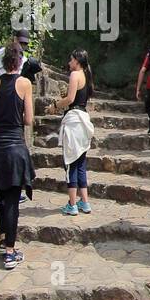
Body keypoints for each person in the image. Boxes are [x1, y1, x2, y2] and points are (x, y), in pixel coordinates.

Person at [0, 43, 35, 270]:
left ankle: (4, 240)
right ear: (19, 62)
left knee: (1, 196)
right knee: (13, 200)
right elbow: (29, 119)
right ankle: (10, 252)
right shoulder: (24, 84)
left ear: (4, 62)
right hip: (15, 145)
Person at [58, 50, 95, 216]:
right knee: (80, 162)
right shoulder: (86, 75)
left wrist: (55, 105)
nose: (69, 62)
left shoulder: (75, 75)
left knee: (71, 162)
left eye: (71, 59)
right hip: (83, 119)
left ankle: (72, 204)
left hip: (74, 120)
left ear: (77, 61)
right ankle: (84, 202)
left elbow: (70, 99)